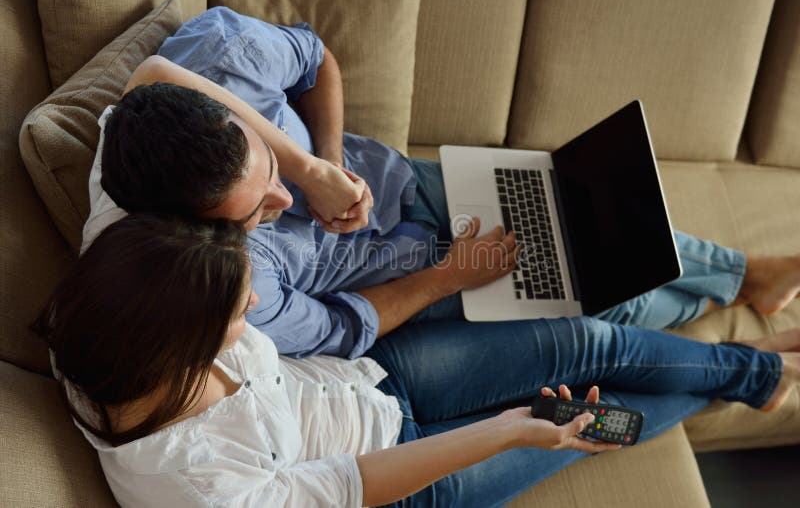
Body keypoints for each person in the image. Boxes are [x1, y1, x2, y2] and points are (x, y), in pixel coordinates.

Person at [85, 7, 800, 360]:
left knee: (572, 202)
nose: (283, 203)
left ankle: (747, 276)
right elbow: (342, 328)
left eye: (267, 172)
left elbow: (316, 60)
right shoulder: (230, 284)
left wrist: (319, 163)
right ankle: (724, 329)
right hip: (400, 281)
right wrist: (447, 278)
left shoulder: (223, 55)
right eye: (258, 216)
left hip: (395, 184)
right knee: (591, 312)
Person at [36, 213, 800, 507]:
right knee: (582, 421)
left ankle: (753, 373)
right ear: (181, 348)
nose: (259, 313)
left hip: (375, 380)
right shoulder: (197, 485)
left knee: (584, 340)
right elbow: (349, 482)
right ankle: (755, 373)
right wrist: (510, 429)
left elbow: (144, 88)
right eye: (241, 315)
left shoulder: (106, 310)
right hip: (395, 478)